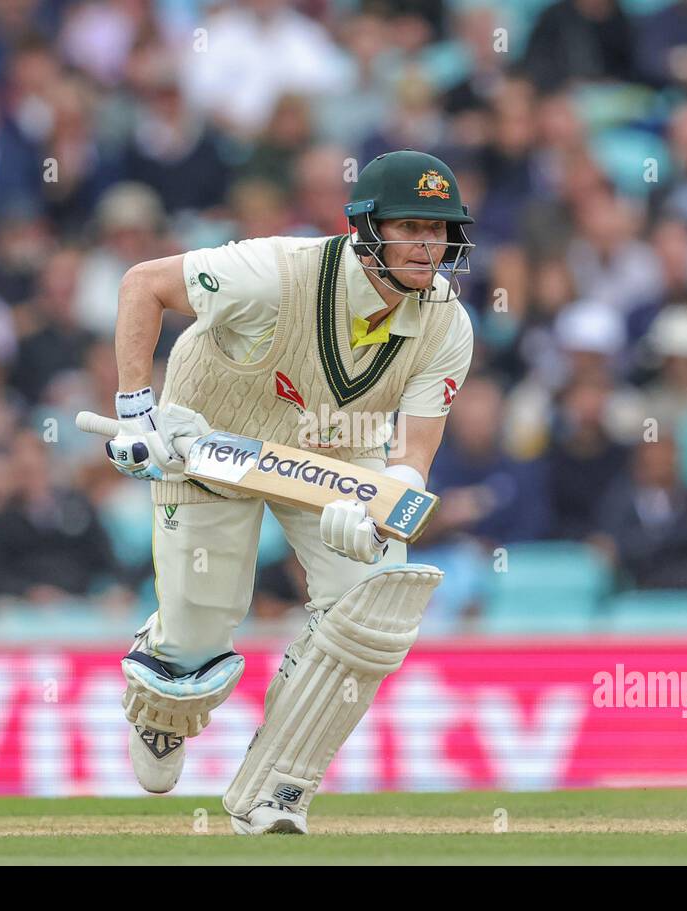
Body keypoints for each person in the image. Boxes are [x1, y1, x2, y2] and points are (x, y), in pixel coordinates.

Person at [84, 150, 475, 834]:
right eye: (411, 225)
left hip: (333, 452)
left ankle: (278, 785)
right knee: (202, 623)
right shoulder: (277, 271)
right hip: (212, 435)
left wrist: (383, 508)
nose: (427, 244)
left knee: (372, 609)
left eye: (439, 229)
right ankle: (168, 672)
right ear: (367, 230)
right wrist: (138, 412)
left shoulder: (448, 321)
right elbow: (142, 283)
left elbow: (413, 453)